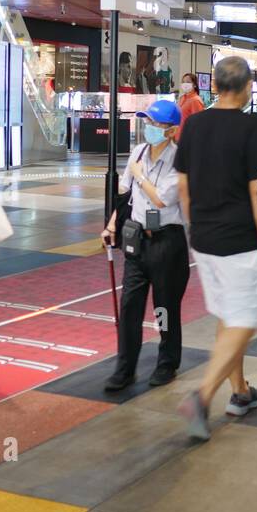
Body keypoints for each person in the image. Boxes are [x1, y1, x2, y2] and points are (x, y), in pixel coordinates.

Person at [174, 56, 257, 441]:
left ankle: (240, 391)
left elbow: (183, 185)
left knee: (228, 315)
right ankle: (201, 397)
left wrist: (194, 227)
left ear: (214, 86)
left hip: (204, 239)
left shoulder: (194, 125)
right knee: (244, 320)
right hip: (240, 242)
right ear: (247, 87)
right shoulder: (252, 128)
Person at [101, 98, 188, 392]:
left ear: (171, 130)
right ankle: (124, 368)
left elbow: (162, 199)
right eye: (147, 121)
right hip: (137, 240)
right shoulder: (138, 152)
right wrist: (112, 225)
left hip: (167, 242)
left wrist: (140, 176)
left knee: (164, 308)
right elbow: (126, 195)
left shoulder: (179, 160)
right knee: (130, 306)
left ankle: (167, 363)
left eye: (155, 123)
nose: (149, 127)